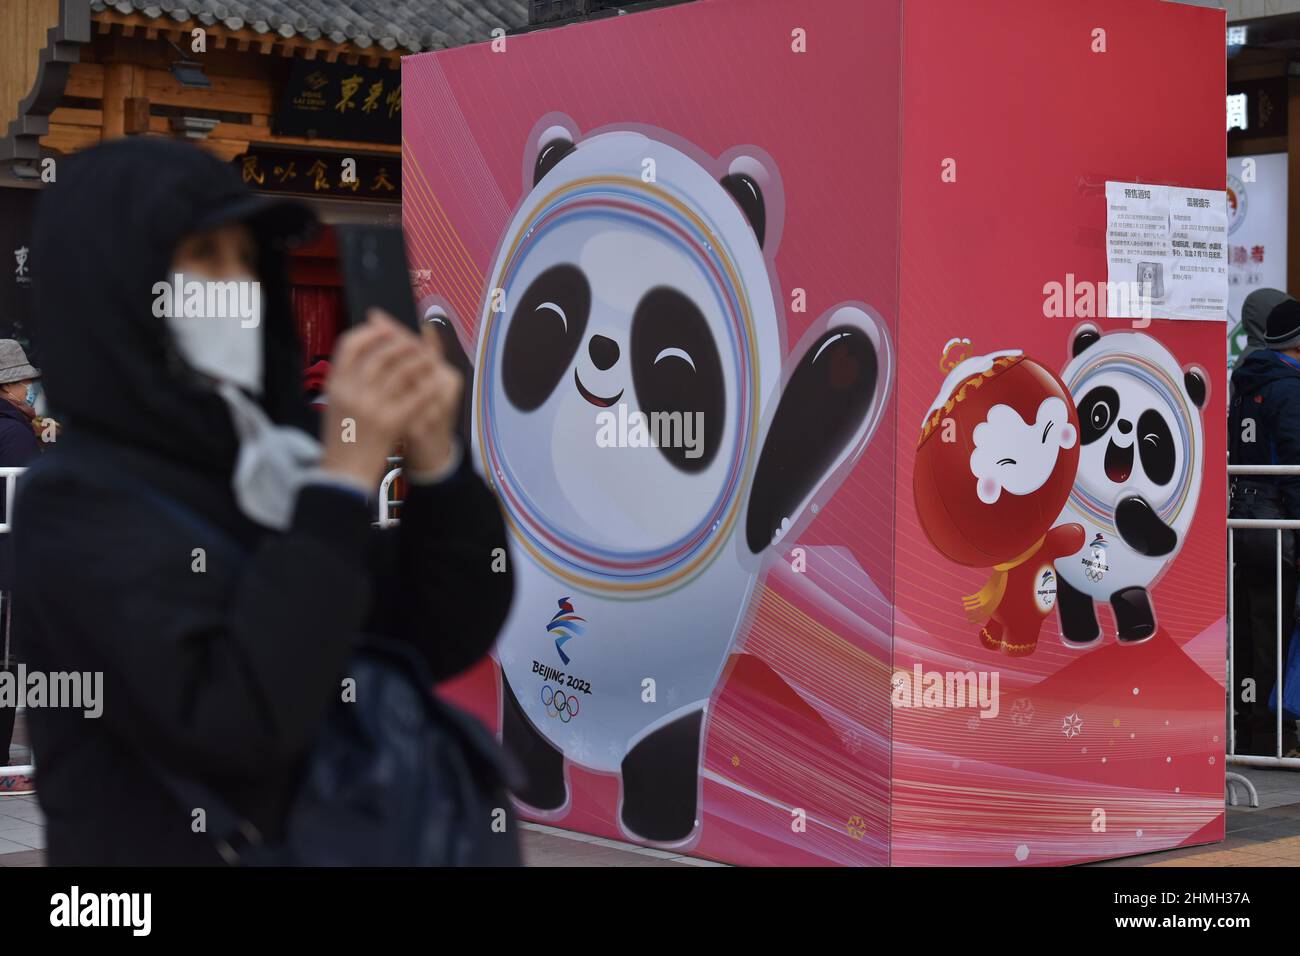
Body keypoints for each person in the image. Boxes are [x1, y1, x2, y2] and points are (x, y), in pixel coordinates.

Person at [14, 138, 514, 864]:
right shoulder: (72, 503)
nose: (235, 284)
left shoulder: (268, 462)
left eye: (246, 259)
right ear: (116, 284)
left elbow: (440, 628)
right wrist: (340, 486)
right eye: (204, 257)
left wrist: (438, 458)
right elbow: (234, 719)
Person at [1229, 290, 1300, 757]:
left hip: (1243, 520)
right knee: (1276, 627)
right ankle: (1277, 733)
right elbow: (1295, 459)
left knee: (1252, 627)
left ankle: (1250, 728)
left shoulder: (1244, 380)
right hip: (1279, 523)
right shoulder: (1289, 386)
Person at [0, 340, 41, 795]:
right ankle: (5, 768)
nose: (30, 387)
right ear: (8, 384)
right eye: (25, 380)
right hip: (9, 566)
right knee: (8, 667)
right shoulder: (14, 432)